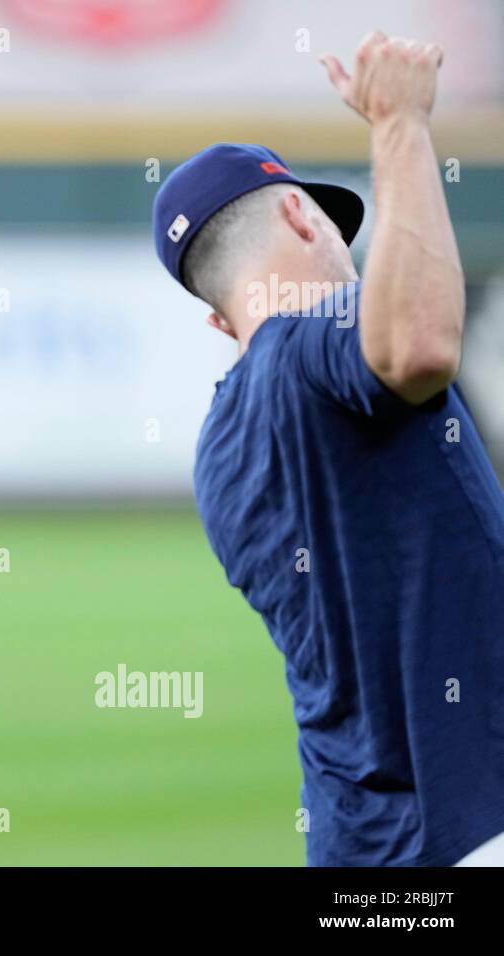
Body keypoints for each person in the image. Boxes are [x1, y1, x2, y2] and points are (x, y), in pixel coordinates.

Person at [151, 33, 504, 865]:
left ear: (216, 319)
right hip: (471, 823)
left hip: (358, 847)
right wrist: (401, 127)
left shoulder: (217, 450)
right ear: (299, 214)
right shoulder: (313, 344)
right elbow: (417, 345)